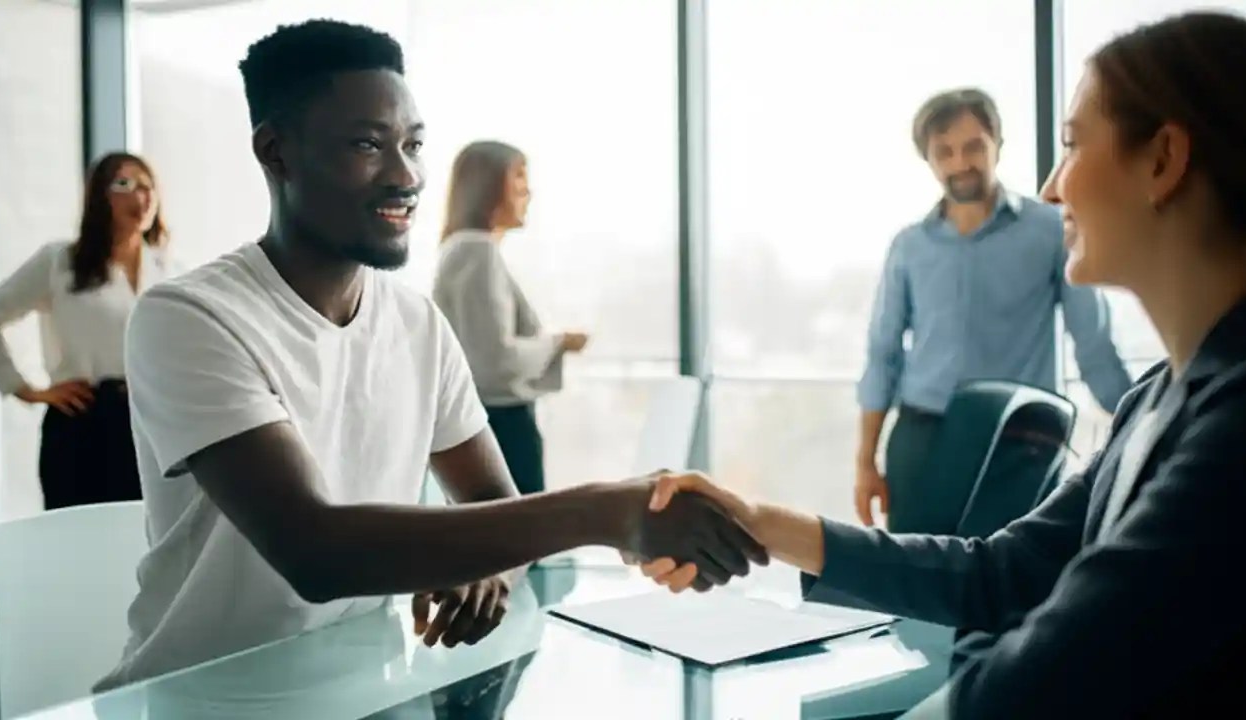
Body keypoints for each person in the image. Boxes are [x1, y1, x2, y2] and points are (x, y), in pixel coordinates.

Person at [95, 20, 765, 691]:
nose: (407, 174)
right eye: (367, 145)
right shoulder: (189, 317)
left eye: (413, 144)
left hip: (369, 689)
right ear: (277, 151)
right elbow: (313, 550)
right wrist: (609, 511)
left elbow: (488, 498)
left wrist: (487, 567)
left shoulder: (417, 320)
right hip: (201, 700)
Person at [641, 11, 1246, 718]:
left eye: (1072, 144)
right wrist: (762, 522)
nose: (1055, 186)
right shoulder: (1156, 400)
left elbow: (1056, 674)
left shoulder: (1240, 428)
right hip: (925, 432)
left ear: (1163, 160)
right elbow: (1000, 573)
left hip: (1020, 444)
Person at [855, 88, 1133, 533]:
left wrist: (1145, 431)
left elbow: (1095, 344)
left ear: (997, 145)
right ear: (928, 160)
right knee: (913, 585)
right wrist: (865, 462)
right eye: (943, 152)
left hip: (1021, 439)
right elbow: (882, 354)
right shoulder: (909, 247)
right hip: (922, 437)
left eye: (973, 147)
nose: (960, 163)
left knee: (1017, 585)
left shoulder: (1049, 230)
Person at [0, 152, 176, 509]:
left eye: (147, 186)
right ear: (99, 194)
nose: (139, 196)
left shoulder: (169, 271)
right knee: (77, 540)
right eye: (124, 184)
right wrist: (24, 390)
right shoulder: (62, 262)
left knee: (147, 539)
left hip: (152, 422)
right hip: (84, 421)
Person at [433, 141, 588, 495]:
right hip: (502, 428)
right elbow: (495, 361)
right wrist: (557, 343)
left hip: (487, 425)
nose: (528, 192)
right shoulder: (476, 252)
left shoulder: (460, 250)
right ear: (486, 187)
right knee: (520, 542)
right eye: (517, 179)